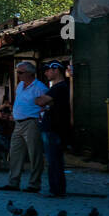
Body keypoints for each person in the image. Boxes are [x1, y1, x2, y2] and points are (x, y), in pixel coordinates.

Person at [0, 61, 46, 193]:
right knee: (15, 153)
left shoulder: (39, 87)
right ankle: (13, 182)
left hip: (32, 122)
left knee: (34, 154)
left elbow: (46, 105)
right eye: (17, 72)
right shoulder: (20, 85)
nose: (18, 75)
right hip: (18, 123)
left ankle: (34, 184)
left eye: (20, 72)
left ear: (30, 73)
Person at [37, 61, 70, 198]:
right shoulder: (58, 88)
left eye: (48, 70)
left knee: (54, 160)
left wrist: (45, 101)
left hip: (53, 128)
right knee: (55, 160)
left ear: (56, 70)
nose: (45, 73)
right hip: (54, 127)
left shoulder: (59, 87)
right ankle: (57, 189)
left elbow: (39, 101)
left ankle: (56, 190)